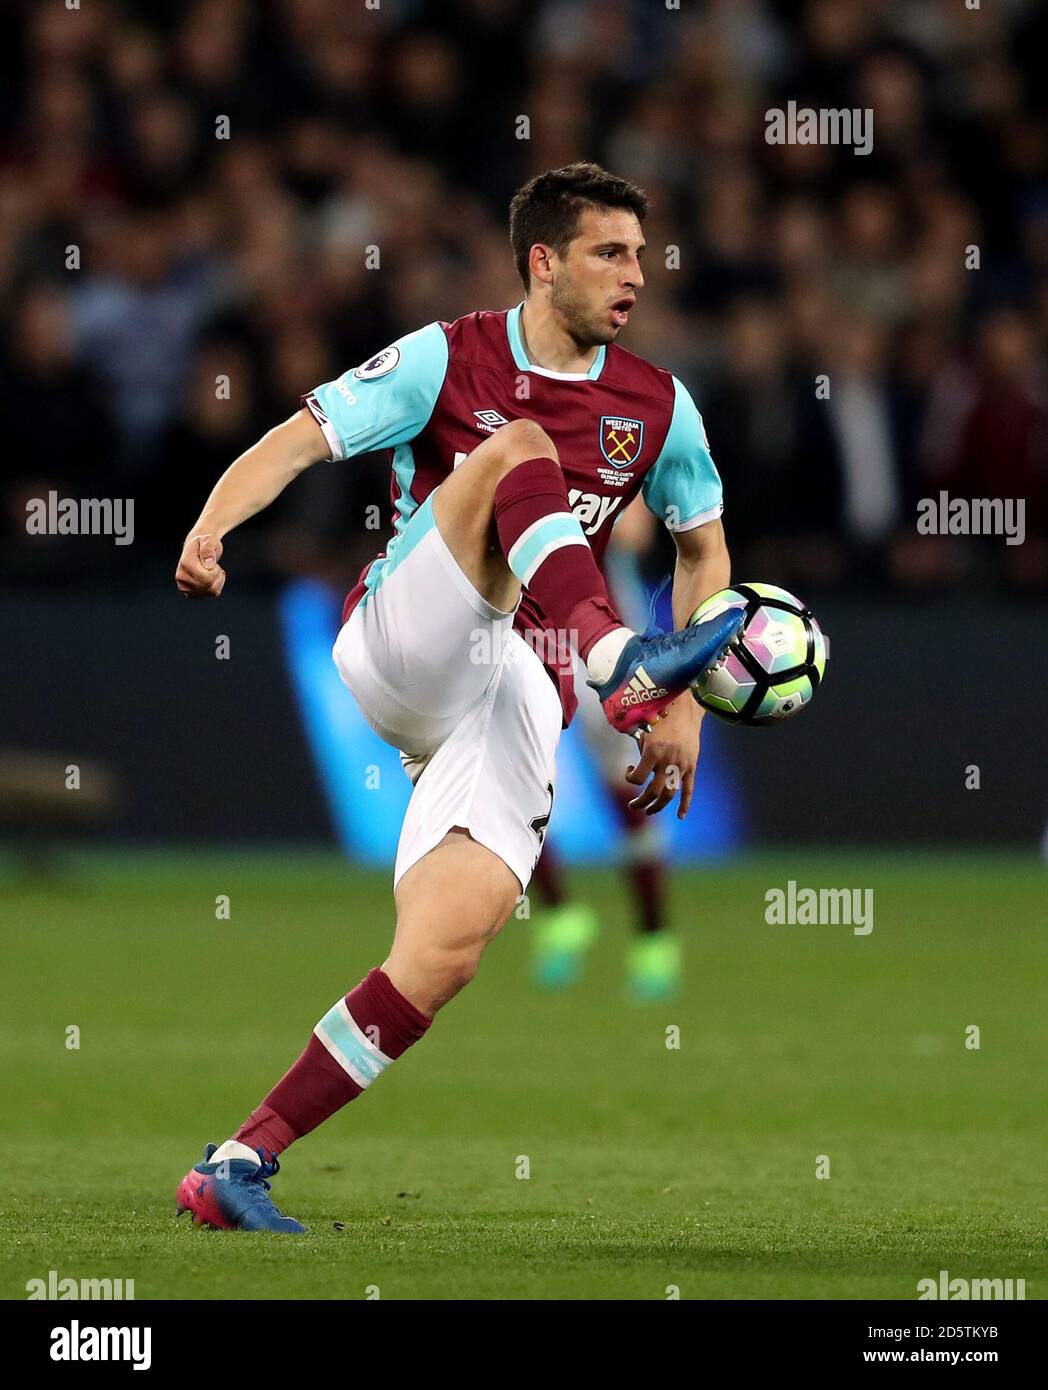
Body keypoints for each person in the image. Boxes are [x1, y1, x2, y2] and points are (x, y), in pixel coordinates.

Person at [173, 162, 740, 1232]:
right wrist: (213, 525)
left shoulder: (658, 404)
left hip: (509, 683)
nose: (636, 275)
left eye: (641, 254)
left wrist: (690, 709)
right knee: (513, 450)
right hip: (404, 635)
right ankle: (618, 656)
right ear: (542, 261)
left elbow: (701, 546)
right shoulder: (447, 355)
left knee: (447, 946)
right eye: (608, 253)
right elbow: (301, 437)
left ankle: (239, 1160)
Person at [530, 497, 681, 1001]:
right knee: (511, 783)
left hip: (605, 632)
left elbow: (635, 531)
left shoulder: (603, 426)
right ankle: (558, 915)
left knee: (628, 787)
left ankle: (653, 939)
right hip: (528, 627)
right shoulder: (506, 428)